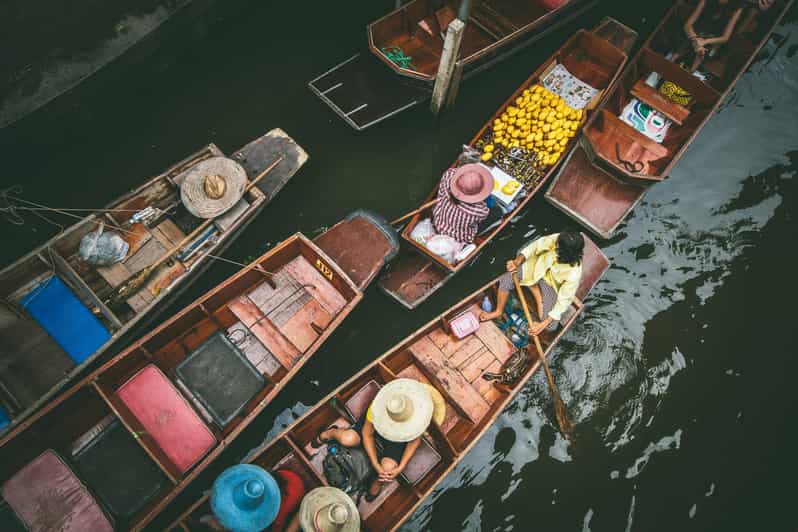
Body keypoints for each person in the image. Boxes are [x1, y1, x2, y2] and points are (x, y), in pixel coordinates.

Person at [312, 379, 440, 502]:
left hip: (397, 440)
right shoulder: (380, 406)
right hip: (377, 426)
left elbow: (414, 442)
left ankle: (377, 481)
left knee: (389, 469)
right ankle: (329, 432)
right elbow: (367, 434)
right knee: (348, 439)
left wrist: (400, 467)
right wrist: (375, 464)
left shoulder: (419, 417)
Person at [480, 230, 584, 335]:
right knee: (506, 280)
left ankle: (534, 289)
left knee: (550, 326)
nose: (555, 243)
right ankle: (498, 311)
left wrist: (542, 324)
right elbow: (535, 246)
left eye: (558, 246)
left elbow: (564, 300)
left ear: (565, 253)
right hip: (535, 269)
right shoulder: (558, 239)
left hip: (550, 285)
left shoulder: (574, 274)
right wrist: (517, 261)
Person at [676, 0, 773, 72]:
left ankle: (689, 74)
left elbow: (725, 37)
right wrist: (695, 41)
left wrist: (704, 42)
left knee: (702, 53)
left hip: (711, 41)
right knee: (684, 47)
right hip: (693, 35)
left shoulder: (737, 8)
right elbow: (688, 25)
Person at [432, 163, 493, 244]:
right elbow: (482, 216)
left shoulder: (448, 175)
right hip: (458, 237)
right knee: (497, 211)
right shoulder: (480, 211)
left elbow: (453, 172)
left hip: (438, 221)